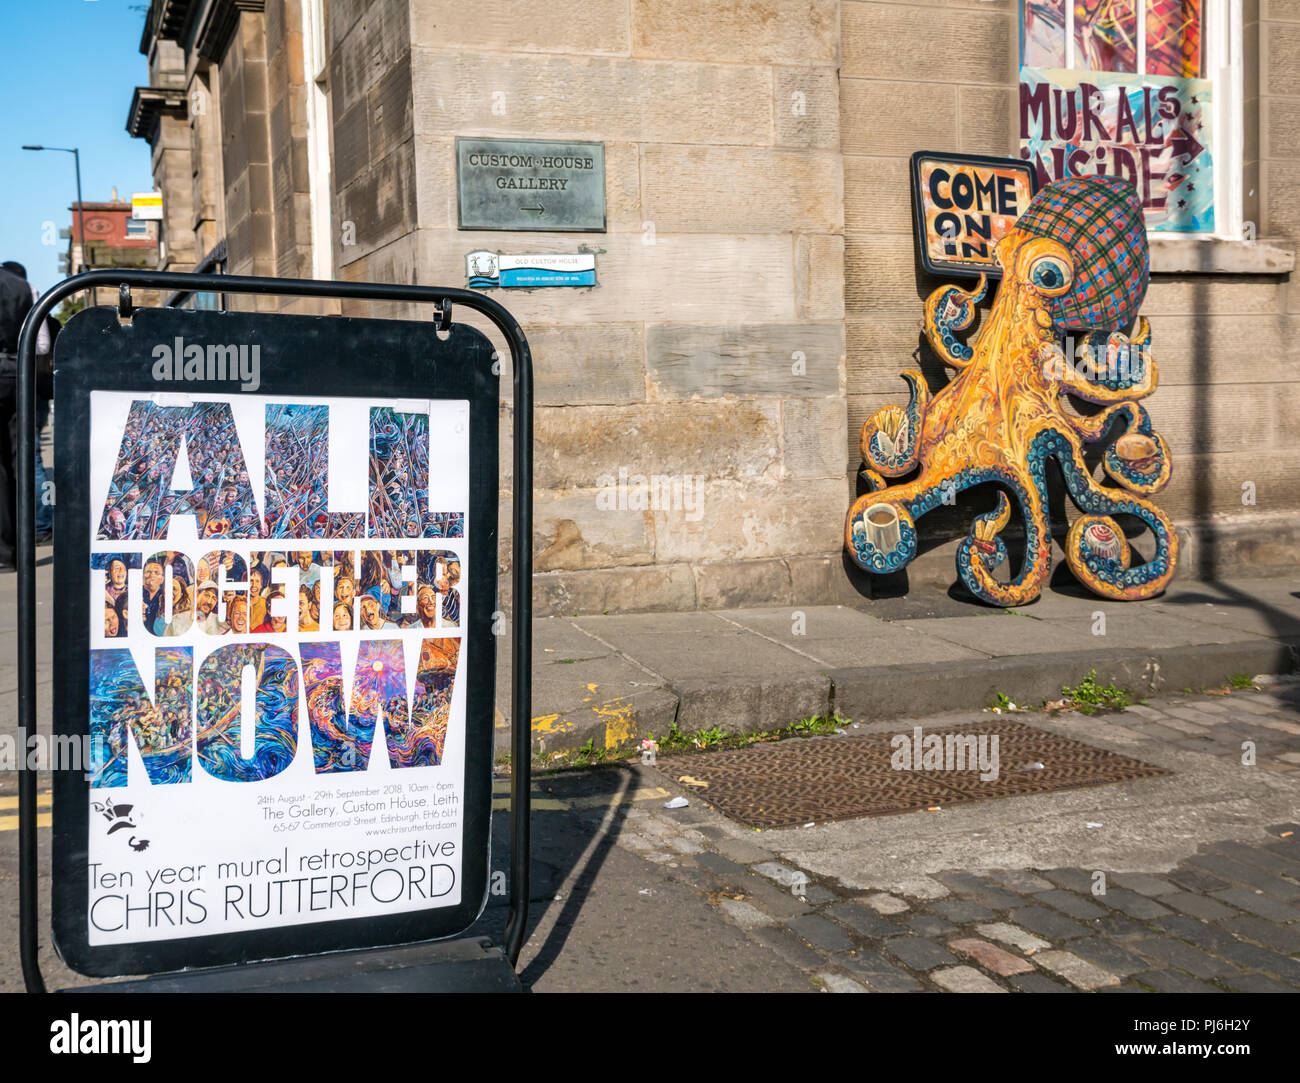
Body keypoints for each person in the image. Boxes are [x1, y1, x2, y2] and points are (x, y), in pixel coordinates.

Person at [2, 263, 52, 545]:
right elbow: (41, 344)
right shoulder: (26, 289)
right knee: (26, 453)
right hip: (17, 377)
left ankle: (7, 541)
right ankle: (38, 526)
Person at [0, 263, 34, 571]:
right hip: (15, 373)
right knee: (17, 461)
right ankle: (19, 547)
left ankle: (4, 549)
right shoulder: (19, 286)